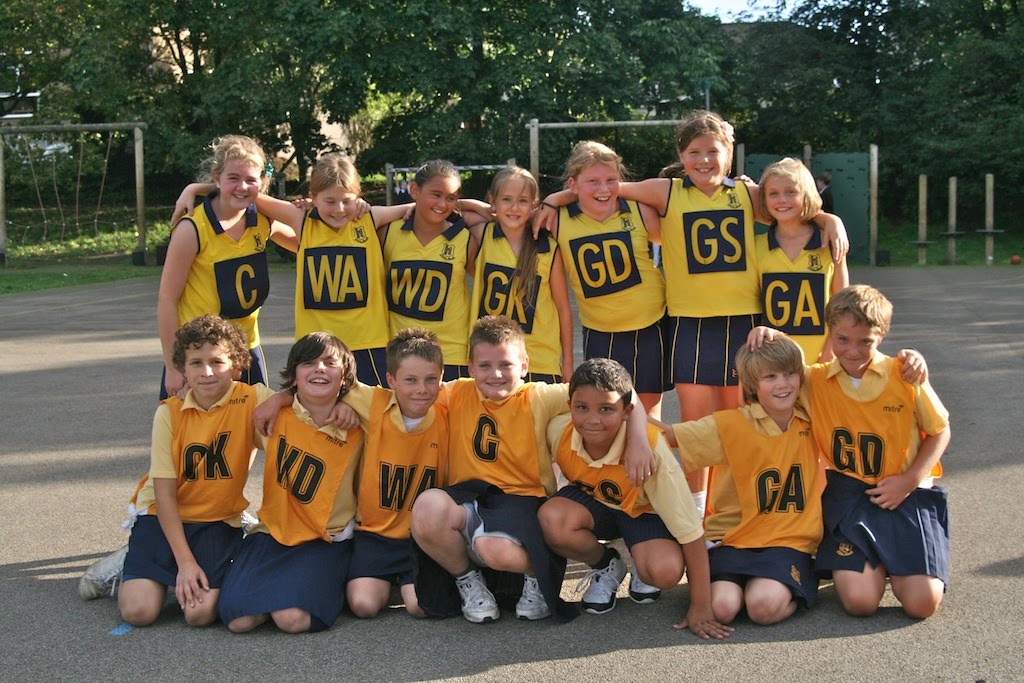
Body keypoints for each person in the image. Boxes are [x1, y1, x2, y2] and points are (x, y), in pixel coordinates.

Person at [538, 112, 847, 519]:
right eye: (694, 152)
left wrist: (828, 218)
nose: (704, 160)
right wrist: (552, 199)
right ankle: (697, 512)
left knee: (741, 421)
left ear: (729, 155)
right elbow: (606, 187)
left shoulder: (747, 194)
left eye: (713, 152)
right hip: (689, 323)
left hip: (743, 323)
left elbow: (794, 204)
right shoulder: (666, 191)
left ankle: (739, 508)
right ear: (681, 156)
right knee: (695, 425)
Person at [410, 315, 656, 624]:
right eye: (484, 365)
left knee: (493, 548)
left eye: (505, 364)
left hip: (522, 500)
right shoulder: (457, 391)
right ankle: (469, 582)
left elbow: (623, 392)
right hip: (470, 497)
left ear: (524, 365)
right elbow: (400, 395)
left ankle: (538, 573)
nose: (495, 374)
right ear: (470, 367)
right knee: (427, 508)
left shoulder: (539, 396)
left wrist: (638, 438)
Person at [83, 316, 275, 626]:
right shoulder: (169, 413)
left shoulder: (253, 399)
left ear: (236, 365)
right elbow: (165, 496)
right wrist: (185, 564)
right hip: (164, 514)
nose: (207, 372)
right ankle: (126, 563)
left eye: (217, 361)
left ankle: (180, 567)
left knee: (199, 615)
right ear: (182, 369)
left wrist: (283, 398)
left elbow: (298, 409)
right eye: (196, 363)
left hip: (215, 519)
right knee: (139, 613)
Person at [174, 154, 413, 386]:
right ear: (313, 197)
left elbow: (418, 206)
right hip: (315, 346)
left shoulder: (369, 218)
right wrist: (194, 189)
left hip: (368, 342)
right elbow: (247, 193)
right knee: (314, 411)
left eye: (347, 200)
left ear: (358, 197)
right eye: (330, 201)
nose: (339, 209)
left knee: (372, 410)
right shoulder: (302, 219)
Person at [539, 358, 731, 639]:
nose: (592, 419)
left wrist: (701, 607)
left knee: (664, 572)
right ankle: (606, 564)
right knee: (551, 518)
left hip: (644, 513)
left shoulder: (651, 451)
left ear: (627, 411)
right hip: (594, 504)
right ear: (570, 406)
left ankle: (641, 558)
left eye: (606, 409)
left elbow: (692, 533)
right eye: (582, 408)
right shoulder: (559, 430)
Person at [804, 285, 950, 618]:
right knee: (860, 603)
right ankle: (874, 564)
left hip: (904, 492)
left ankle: (894, 562)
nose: (853, 350)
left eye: (865, 341)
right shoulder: (814, 380)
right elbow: (772, 372)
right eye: (842, 339)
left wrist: (909, 481)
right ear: (830, 332)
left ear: (881, 336)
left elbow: (940, 431)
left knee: (922, 604)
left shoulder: (904, 373)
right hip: (850, 496)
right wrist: (765, 334)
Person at [655, 336, 823, 626]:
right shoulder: (732, 424)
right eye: (770, 377)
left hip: (788, 539)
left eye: (789, 374)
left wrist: (772, 332)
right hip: (732, 538)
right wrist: (629, 413)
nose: (782, 384)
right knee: (722, 608)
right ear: (752, 385)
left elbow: (835, 376)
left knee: (762, 608)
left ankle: (795, 584)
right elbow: (669, 435)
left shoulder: (812, 415)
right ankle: (752, 582)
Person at [217, 332, 365, 633]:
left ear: (345, 377)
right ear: (294, 377)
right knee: (239, 621)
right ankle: (278, 590)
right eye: (308, 363)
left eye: (330, 363)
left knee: (292, 619)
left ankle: (331, 582)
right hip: (273, 534)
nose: (319, 368)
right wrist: (281, 397)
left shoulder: (360, 424)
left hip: (324, 540)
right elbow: (223, 390)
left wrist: (350, 404)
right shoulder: (275, 412)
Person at [159, 135, 297, 399]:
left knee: (253, 424)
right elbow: (167, 299)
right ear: (216, 177)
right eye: (233, 178)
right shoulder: (192, 228)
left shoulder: (262, 221)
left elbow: (308, 244)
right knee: (193, 427)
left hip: (246, 350)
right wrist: (173, 366)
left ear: (262, 182)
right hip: (200, 355)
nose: (242, 186)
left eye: (251, 180)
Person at [539, 140, 668, 417]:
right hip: (601, 332)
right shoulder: (557, 221)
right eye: (593, 181)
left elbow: (679, 240)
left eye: (611, 180)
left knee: (648, 416)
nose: (604, 189)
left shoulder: (639, 211)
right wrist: (552, 200)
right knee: (608, 413)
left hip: (651, 325)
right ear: (573, 185)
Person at [339, 328, 450, 618]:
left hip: (421, 539)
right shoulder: (373, 402)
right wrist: (279, 399)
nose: (421, 389)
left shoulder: (449, 408)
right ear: (391, 380)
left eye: (431, 380)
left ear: (442, 377)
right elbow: (322, 386)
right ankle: (390, 582)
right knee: (363, 606)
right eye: (410, 380)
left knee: (420, 607)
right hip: (376, 535)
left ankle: (406, 583)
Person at [461, 166, 574, 383]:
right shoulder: (483, 235)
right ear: (493, 201)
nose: (514, 208)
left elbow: (563, 308)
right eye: (506, 199)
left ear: (534, 204)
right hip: (491, 360)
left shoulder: (548, 247)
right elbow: (451, 208)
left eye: (522, 201)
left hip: (540, 359)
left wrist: (568, 363)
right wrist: (487, 210)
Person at [380, 160, 477, 380]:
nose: (442, 204)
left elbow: (495, 215)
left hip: (450, 355)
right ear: (415, 190)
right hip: (400, 354)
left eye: (451, 198)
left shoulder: (465, 239)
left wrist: (478, 208)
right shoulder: (388, 233)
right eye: (436, 194)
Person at [756, 158, 849, 363]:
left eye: (791, 192)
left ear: (807, 194)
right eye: (773, 193)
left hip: (821, 359)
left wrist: (830, 350)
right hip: (773, 363)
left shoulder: (830, 242)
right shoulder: (755, 247)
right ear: (764, 198)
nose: (782, 199)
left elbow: (842, 303)